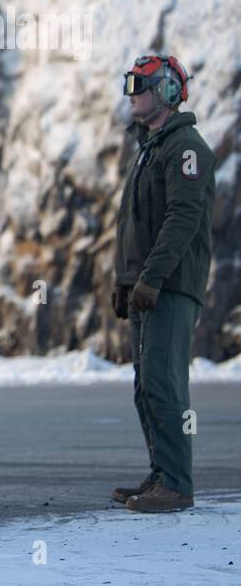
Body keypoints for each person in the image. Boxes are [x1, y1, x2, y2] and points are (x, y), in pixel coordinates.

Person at [111, 55, 215, 513]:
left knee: (164, 382)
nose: (132, 93)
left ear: (169, 92)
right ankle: (161, 475)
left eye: (142, 85)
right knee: (145, 385)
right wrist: (125, 279)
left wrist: (151, 279)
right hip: (146, 285)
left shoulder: (186, 149)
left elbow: (182, 220)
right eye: (131, 84)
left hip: (170, 286)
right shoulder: (152, 148)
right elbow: (132, 223)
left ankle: (176, 483)